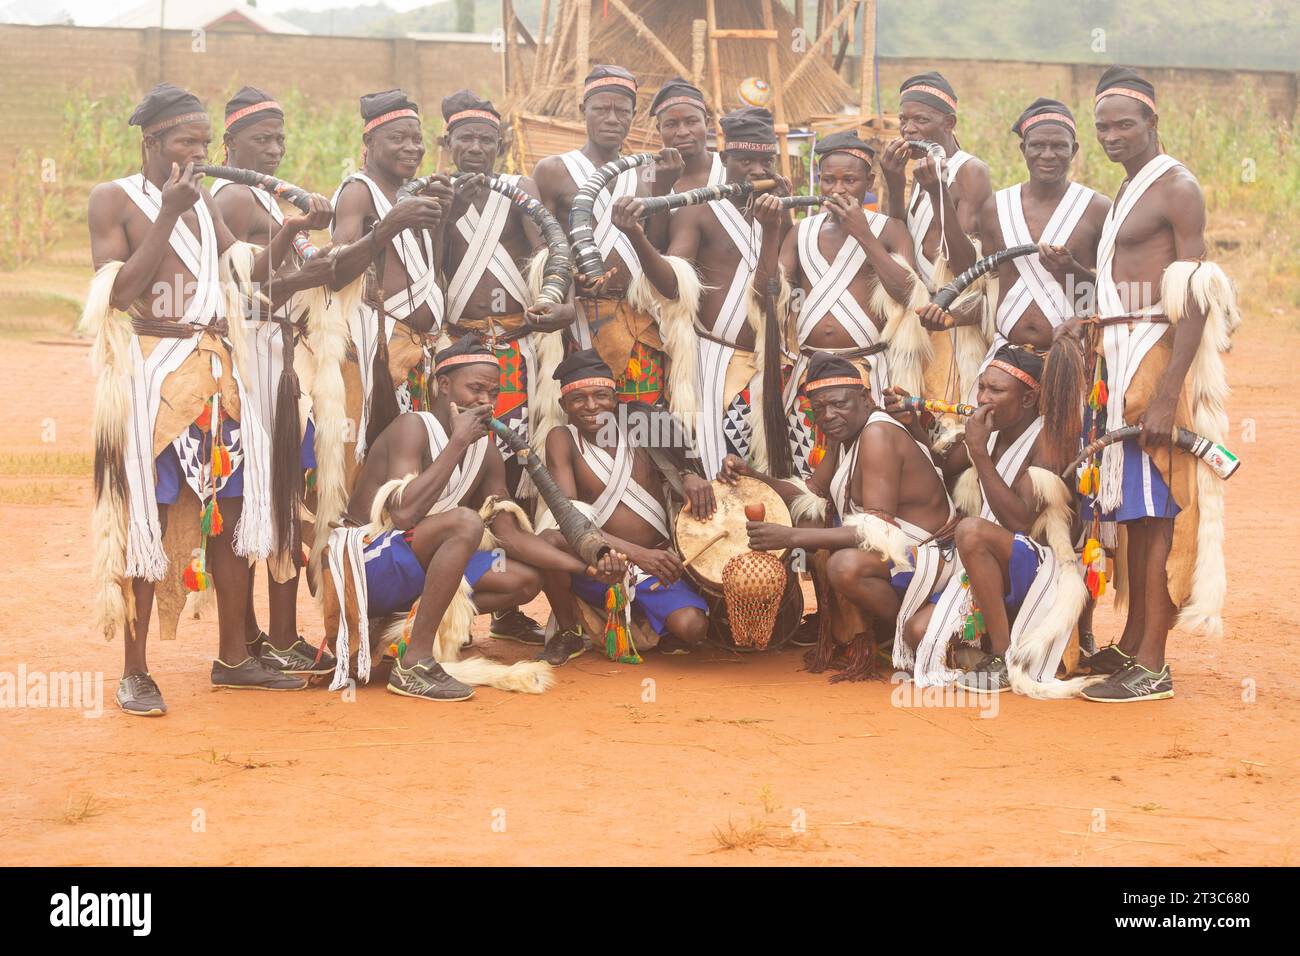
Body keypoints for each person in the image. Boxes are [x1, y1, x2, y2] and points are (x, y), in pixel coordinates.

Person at [84, 84, 333, 713]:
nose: (197, 153)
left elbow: (250, 275)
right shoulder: (114, 199)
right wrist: (168, 212)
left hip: (220, 375)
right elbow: (119, 296)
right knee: (148, 522)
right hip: (155, 379)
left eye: (201, 141)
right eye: (183, 142)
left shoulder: (204, 205)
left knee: (234, 513)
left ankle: (234, 657)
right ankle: (136, 671)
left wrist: (297, 230)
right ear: (151, 143)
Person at [1068, 67, 1239, 702]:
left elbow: (1195, 296)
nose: (1111, 136)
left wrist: (1168, 392)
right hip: (1120, 354)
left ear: (1152, 121)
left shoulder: (1178, 187)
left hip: (1154, 359)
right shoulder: (1128, 188)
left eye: (1123, 124)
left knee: (1157, 503)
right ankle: (1134, 640)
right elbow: (1128, 275)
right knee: (1133, 512)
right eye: (1103, 127)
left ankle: (1155, 664)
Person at [324, 336, 609, 699]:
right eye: (475, 389)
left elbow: (510, 536)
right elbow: (403, 513)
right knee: (467, 523)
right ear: (444, 386)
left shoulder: (487, 453)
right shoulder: (413, 426)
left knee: (523, 579)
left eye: (494, 393)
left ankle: (398, 629)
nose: (486, 402)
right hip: (363, 566)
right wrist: (457, 442)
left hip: (413, 562)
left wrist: (585, 567)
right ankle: (415, 663)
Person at [438, 89, 576, 645]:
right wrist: (448, 209)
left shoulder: (520, 191)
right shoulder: (433, 194)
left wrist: (556, 299)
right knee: (461, 464)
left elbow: (552, 248)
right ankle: (451, 591)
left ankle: (507, 605)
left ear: (501, 145)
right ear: (447, 144)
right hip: (458, 352)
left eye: (486, 140)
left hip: (517, 352)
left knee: (517, 468)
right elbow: (429, 262)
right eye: (464, 139)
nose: (475, 148)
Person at [211, 85, 339, 676]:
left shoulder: (259, 197)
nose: (275, 149)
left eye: (280, 138)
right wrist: (310, 256)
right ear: (228, 142)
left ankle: (266, 633)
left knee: (277, 492)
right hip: (258, 356)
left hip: (276, 354)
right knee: (268, 493)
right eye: (261, 138)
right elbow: (254, 289)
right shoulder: (236, 197)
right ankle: (266, 636)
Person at [721, 352, 951, 680]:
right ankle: (865, 632)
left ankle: (898, 633)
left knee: (842, 564)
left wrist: (790, 538)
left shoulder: (877, 435)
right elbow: (813, 493)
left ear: (865, 398)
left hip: (930, 553)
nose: (828, 415)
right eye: (819, 409)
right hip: (899, 547)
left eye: (838, 404)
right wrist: (753, 476)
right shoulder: (846, 432)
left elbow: (878, 530)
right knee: (812, 523)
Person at [887, 346, 1087, 696]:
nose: (983, 398)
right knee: (918, 632)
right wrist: (915, 425)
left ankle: (1001, 653)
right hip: (988, 559)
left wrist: (978, 452)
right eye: (982, 387)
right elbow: (941, 468)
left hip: (1040, 567)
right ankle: (996, 634)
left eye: (996, 391)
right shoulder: (990, 430)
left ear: (1027, 400)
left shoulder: (1049, 442)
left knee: (971, 531)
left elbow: (1019, 520)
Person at [611, 106, 791, 480]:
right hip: (713, 365)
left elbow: (776, 290)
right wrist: (636, 236)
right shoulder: (700, 210)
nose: (758, 171)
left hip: (769, 362)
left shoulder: (779, 208)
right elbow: (673, 286)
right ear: (724, 160)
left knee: (767, 467)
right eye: (745, 161)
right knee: (717, 467)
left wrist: (775, 226)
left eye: (766, 162)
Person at [920, 98, 1110, 412]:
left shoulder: (1096, 208)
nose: (1047, 155)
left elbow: (1108, 293)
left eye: (1059, 146)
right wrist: (950, 316)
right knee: (993, 447)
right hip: (1006, 363)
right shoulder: (997, 208)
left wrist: (1070, 269)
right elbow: (985, 283)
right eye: (1037, 146)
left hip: (1070, 360)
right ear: (1023, 150)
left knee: (1066, 455)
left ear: (1074, 150)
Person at [532, 65, 693, 434]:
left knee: (643, 428)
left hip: (637, 322)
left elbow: (659, 245)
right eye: (601, 109)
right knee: (584, 430)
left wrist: (665, 188)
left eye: (622, 111)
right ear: (582, 110)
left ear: (633, 117)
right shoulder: (553, 170)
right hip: (577, 322)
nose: (612, 118)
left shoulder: (649, 172)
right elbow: (546, 248)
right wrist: (568, 289)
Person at [542, 350, 712, 656]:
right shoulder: (561, 439)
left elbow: (686, 464)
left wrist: (689, 476)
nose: (591, 406)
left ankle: (649, 616)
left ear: (615, 397)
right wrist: (636, 554)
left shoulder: (644, 423)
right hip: (602, 565)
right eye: (578, 399)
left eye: (600, 395)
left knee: (693, 628)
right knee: (550, 541)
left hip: (660, 565)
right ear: (563, 405)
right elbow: (569, 519)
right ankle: (568, 631)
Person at [778, 130, 927, 476]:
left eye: (850, 180)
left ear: (869, 182)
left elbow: (907, 294)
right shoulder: (800, 231)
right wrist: (774, 229)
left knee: (870, 469)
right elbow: (769, 297)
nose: (838, 190)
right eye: (828, 180)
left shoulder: (889, 229)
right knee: (809, 472)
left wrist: (862, 232)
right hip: (810, 375)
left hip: (870, 376)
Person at [330, 88, 450, 459]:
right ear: (369, 141)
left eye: (417, 139)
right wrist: (389, 225)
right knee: (375, 456)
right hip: (377, 353)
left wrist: (441, 218)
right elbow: (334, 272)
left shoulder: (409, 191)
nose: (411, 148)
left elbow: (429, 269)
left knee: (415, 459)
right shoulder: (358, 192)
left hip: (420, 353)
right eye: (397, 138)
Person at [880, 71, 994, 411]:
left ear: (949, 122)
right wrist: (893, 180)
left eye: (920, 120)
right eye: (903, 120)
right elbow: (896, 235)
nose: (908, 129)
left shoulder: (969, 171)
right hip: (914, 322)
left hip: (954, 323)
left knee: (953, 422)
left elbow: (965, 266)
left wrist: (936, 192)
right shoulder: (923, 169)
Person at [650, 76, 724, 201]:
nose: (682, 132)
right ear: (659, 129)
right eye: (671, 124)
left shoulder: (727, 170)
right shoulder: (647, 177)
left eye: (691, 122)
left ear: (706, 124)